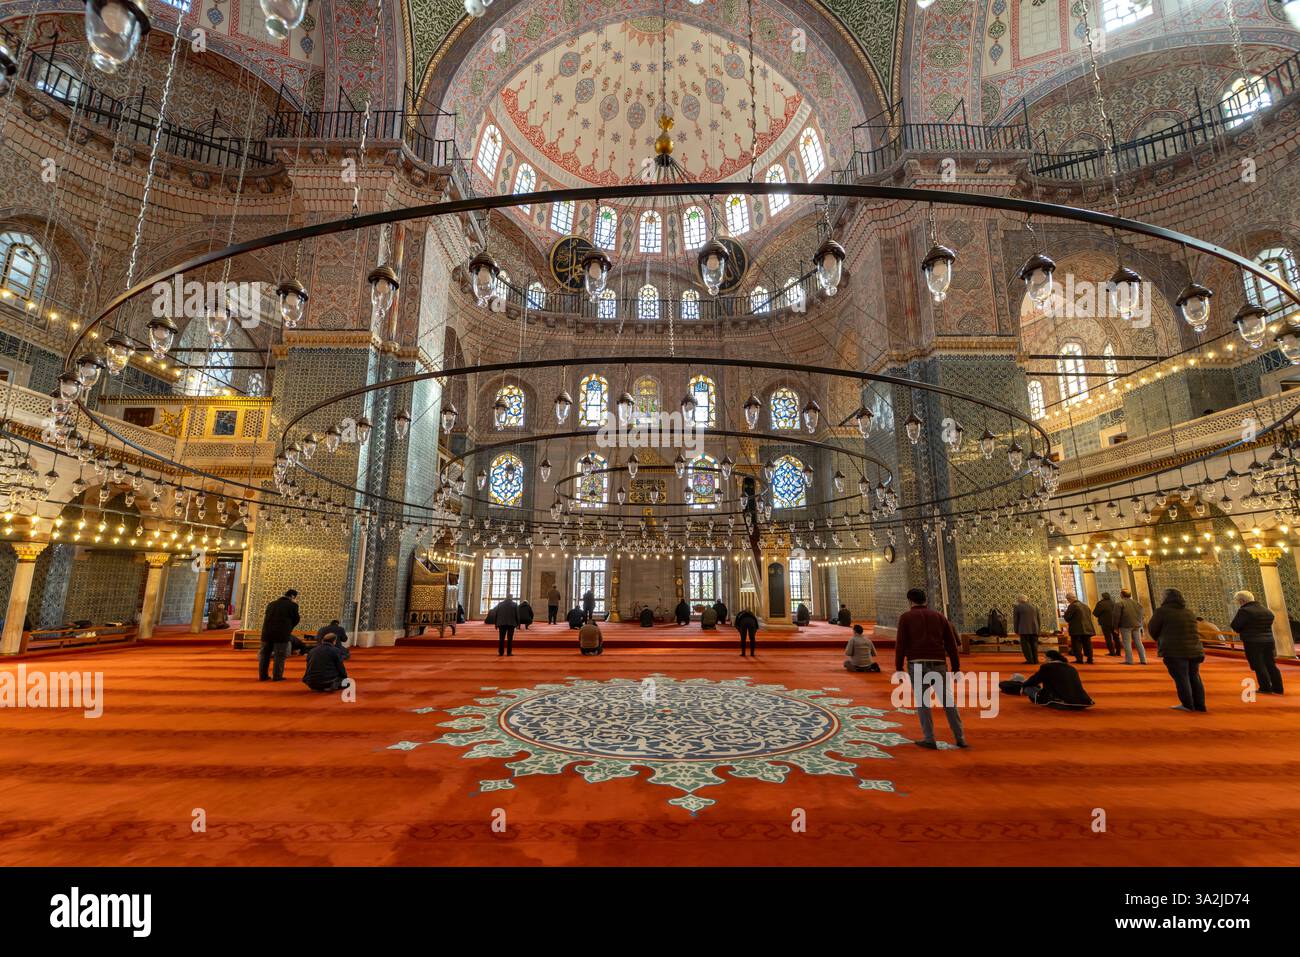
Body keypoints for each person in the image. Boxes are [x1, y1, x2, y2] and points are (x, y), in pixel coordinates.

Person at [894, 587, 967, 749]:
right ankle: (960, 737)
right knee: (948, 701)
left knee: (923, 702)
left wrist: (898, 667)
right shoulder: (939, 616)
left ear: (910, 601)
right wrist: (956, 667)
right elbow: (951, 644)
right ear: (925, 599)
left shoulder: (906, 617)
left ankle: (929, 738)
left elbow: (901, 644)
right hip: (939, 662)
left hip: (917, 663)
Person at [1148, 588, 1206, 712]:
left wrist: (1161, 638)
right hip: (1194, 649)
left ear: (1165, 598)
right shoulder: (1188, 612)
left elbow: (1153, 630)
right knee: (1194, 677)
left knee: (1182, 678)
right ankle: (1200, 705)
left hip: (1174, 651)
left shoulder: (1162, 612)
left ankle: (1187, 704)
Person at [1231, 590, 1284, 695]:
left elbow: (1235, 625)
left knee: (1258, 664)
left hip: (1253, 642)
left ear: (1242, 600)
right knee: (1270, 664)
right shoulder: (1266, 610)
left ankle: (1265, 687)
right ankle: (1278, 688)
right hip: (1268, 641)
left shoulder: (1245, 611)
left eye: (1238, 601)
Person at [1010, 649, 1094, 708]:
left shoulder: (1048, 667)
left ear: (1050, 658)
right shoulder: (1071, 668)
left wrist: (1023, 686)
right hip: (1082, 700)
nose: (1044, 660)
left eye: (1045, 658)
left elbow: (1034, 680)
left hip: (1062, 701)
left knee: (1028, 688)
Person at [258, 588, 300, 682]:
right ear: (292, 596)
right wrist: (288, 628)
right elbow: (296, 619)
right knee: (279, 655)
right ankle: (277, 676)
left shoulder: (271, 604)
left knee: (264, 655)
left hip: (266, 633)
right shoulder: (292, 605)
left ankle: (262, 676)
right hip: (281, 635)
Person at [1062, 592, 1095, 664]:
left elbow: (1067, 617)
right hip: (1087, 628)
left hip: (1076, 629)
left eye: (1068, 599)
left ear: (1069, 599)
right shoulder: (1085, 606)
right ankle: (1090, 659)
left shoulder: (1072, 606)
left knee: (1076, 644)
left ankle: (1079, 659)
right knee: (1087, 644)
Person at [1115, 589, 1147, 664]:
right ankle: (1143, 660)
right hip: (1137, 625)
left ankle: (1129, 661)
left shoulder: (1119, 603)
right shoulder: (1137, 603)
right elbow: (1142, 614)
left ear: (1122, 595)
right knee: (1139, 642)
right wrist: (1139, 623)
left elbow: (1116, 616)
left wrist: (1115, 627)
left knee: (1127, 643)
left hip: (1125, 626)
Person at [1012, 594, 1041, 665]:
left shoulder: (1018, 607)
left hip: (1024, 629)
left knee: (1026, 646)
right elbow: (1039, 619)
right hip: (1035, 629)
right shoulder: (1035, 606)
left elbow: (1016, 620)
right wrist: (1038, 629)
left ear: (1019, 600)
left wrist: (1016, 629)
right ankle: (1036, 660)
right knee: (1034, 645)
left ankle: (1030, 660)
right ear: (1026, 599)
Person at [1093, 592, 1120, 657]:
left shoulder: (1100, 604)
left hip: (1105, 623)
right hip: (1115, 623)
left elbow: (1095, 613)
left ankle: (1112, 652)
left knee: (1108, 638)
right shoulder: (1114, 603)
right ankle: (1118, 652)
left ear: (1102, 597)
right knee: (1116, 638)